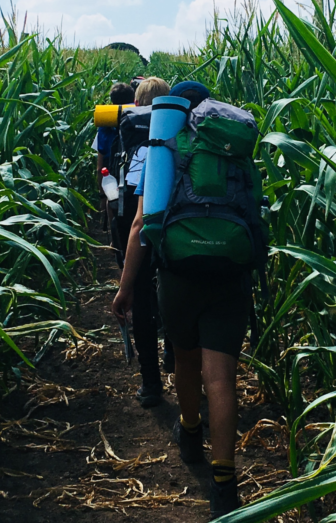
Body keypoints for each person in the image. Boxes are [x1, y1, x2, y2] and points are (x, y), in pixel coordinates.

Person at [111, 80, 247, 519]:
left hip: (180, 274)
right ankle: (225, 482)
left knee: (187, 362)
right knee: (222, 376)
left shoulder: (163, 148)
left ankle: (190, 434)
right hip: (231, 271)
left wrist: (126, 287)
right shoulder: (232, 147)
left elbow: (139, 227)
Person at [117, 76, 173, 407]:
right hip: (169, 222)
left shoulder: (130, 131)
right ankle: (173, 356)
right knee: (171, 292)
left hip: (136, 222)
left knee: (141, 300)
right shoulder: (175, 131)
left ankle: (151, 384)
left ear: (136, 104)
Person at [95, 82, 135, 233]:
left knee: (111, 199)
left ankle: (114, 242)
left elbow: (100, 167)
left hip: (112, 174)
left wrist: (101, 195)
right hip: (134, 177)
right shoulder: (142, 120)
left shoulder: (105, 124)